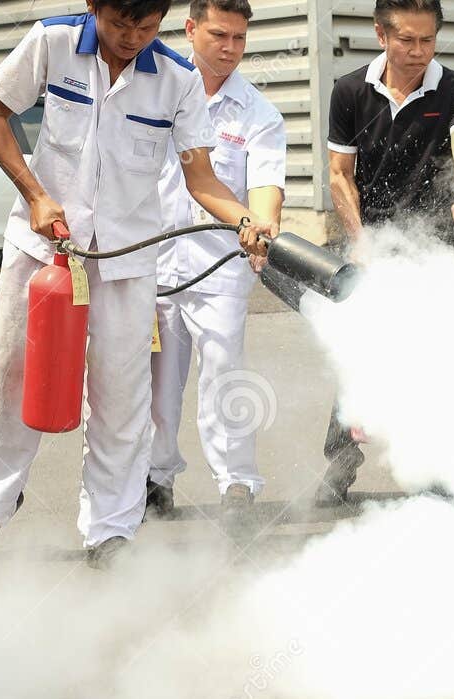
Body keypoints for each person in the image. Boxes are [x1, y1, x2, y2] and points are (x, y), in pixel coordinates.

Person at [0, 0, 272, 570]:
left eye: (147, 28)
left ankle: (110, 531)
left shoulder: (176, 78)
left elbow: (201, 174)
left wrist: (244, 220)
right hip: (43, 252)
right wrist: (36, 195)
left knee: (121, 398)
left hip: (125, 265)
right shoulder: (51, 42)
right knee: (13, 378)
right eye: (122, 24)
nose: (133, 38)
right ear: (95, 7)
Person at [319, 0, 454, 505]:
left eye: (428, 40)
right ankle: (338, 468)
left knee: (434, 363)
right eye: (406, 40)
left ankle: (436, 476)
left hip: (435, 247)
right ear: (380, 35)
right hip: (372, 244)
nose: (418, 52)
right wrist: (360, 239)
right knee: (359, 357)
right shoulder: (349, 91)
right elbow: (339, 175)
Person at [147, 0, 286, 536]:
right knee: (156, 383)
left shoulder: (257, 113)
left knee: (225, 376)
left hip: (220, 270)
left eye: (239, 39)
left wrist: (261, 226)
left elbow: (266, 184)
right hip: (152, 265)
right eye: (218, 35)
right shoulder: (152, 91)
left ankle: (237, 483)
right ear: (189, 29)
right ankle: (156, 478)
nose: (229, 49)